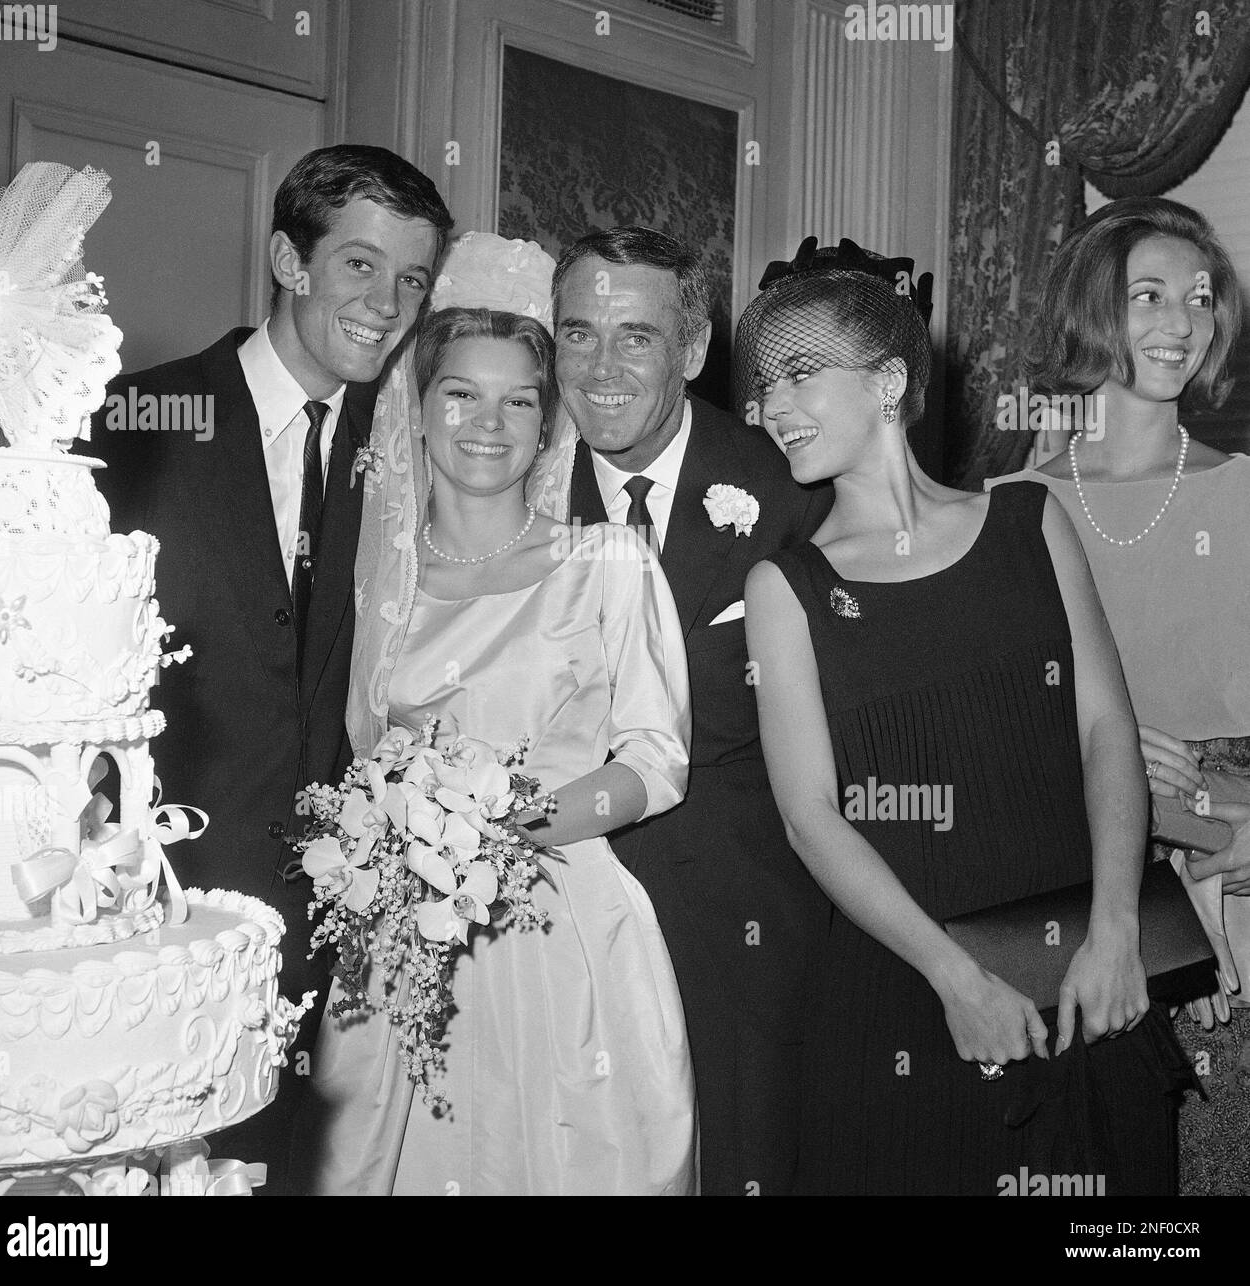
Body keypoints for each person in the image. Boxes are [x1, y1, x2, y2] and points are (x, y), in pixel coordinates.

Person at [742, 238, 1191, 1195]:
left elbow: (1105, 733)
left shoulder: (1031, 522)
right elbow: (809, 817)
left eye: (801, 372)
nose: (771, 405)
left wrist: (1115, 931)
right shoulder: (788, 587)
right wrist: (956, 980)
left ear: (891, 379)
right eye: (761, 385)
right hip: (901, 997)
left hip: (1085, 981)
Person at [83, 144, 453, 1193]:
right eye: (360, 266)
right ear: (290, 262)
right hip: (151, 931)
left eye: (413, 279)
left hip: (311, 954)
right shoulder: (133, 424)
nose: (387, 304)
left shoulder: (398, 454)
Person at [305, 233, 697, 1196]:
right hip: (400, 938)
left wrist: (498, 840)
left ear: (547, 417)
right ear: (420, 410)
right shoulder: (371, 585)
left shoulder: (607, 561)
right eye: (462, 395)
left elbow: (656, 763)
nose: (490, 423)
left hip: (566, 930)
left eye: (520, 398)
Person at [552, 226, 831, 1195]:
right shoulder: (512, 486)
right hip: (558, 937)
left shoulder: (789, 489)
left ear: (696, 349)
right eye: (577, 334)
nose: (600, 367)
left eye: (635, 337)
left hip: (737, 941)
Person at [991, 197, 1250, 1195]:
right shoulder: (1015, 509)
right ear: (1094, 307)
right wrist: (1095, 748)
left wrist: (1222, 832)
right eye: (1150, 295)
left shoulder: (1240, 497)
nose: (1182, 323)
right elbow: (984, 744)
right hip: (1070, 921)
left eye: (1201, 299)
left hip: (1226, 919)